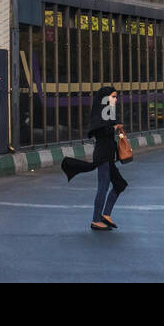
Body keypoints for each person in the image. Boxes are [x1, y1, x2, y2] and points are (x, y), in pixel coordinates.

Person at [60, 85, 128, 230]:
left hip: (109, 156)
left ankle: (105, 215)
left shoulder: (108, 112)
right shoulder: (99, 114)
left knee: (120, 184)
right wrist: (115, 127)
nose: (116, 100)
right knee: (103, 187)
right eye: (113, 97)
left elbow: (112, 125)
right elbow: (101, 131)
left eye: (116, 97)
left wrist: (118, 127)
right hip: (103, 156)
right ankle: (96, 220)